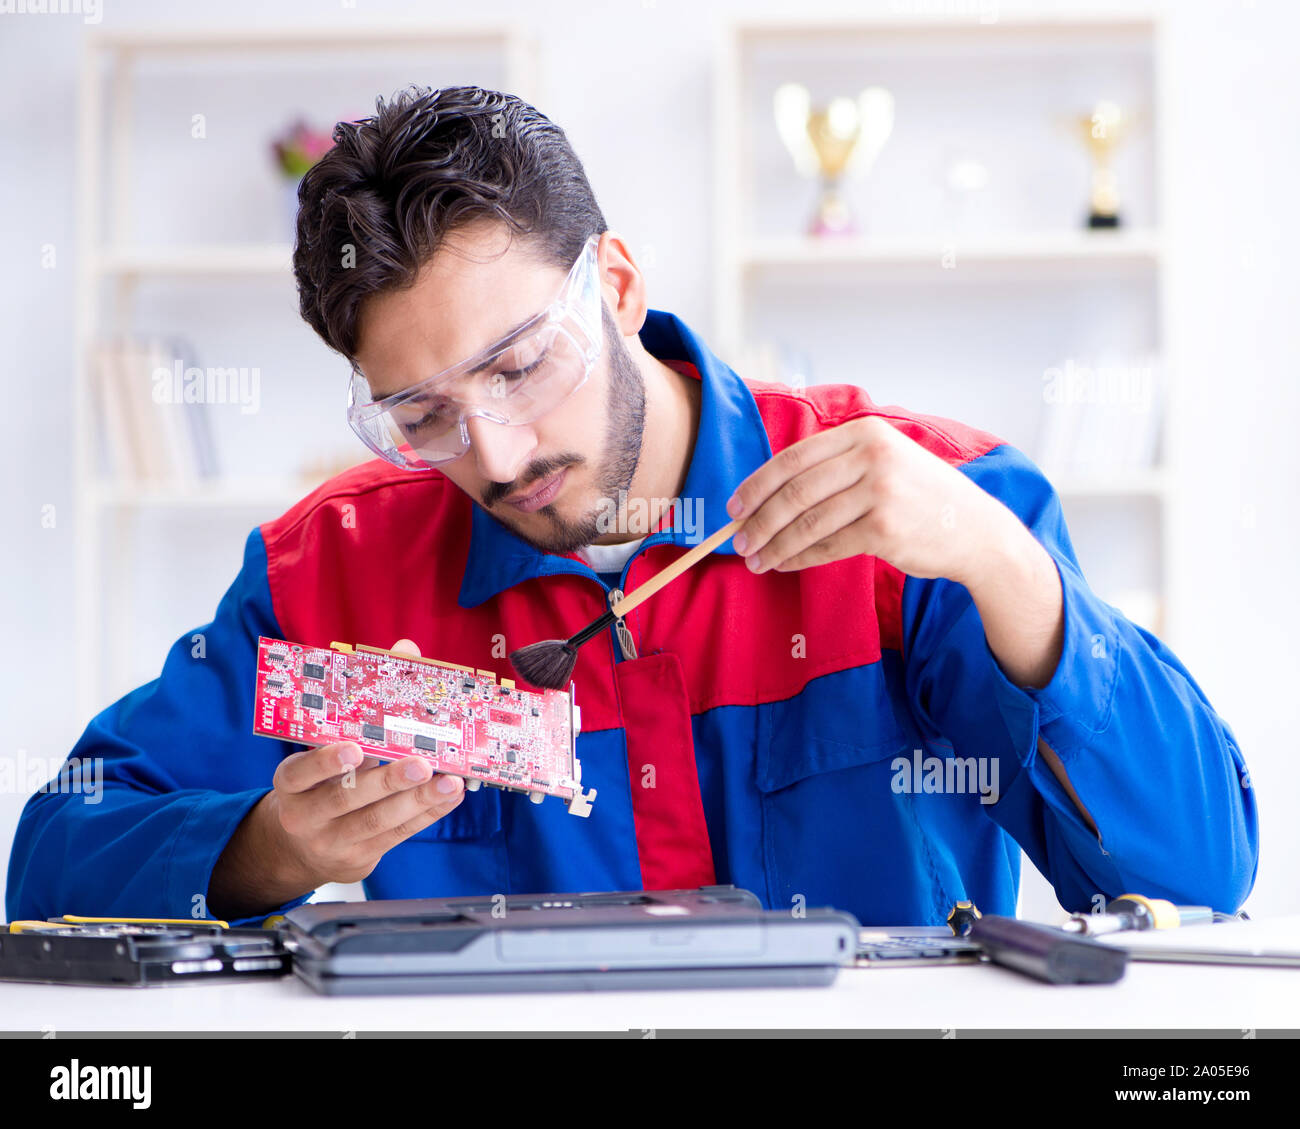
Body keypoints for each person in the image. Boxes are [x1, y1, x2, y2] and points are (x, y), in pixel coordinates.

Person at [7, 86, 1257, 927]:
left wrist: (1003, 567)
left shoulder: (919, 508)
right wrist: (271, 850)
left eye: (514, 364)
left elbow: (1195, 870)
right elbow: (52, 853)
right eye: (421, 413)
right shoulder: (329, 570)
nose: (491, 453)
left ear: (611, 280)